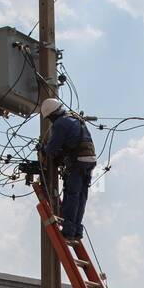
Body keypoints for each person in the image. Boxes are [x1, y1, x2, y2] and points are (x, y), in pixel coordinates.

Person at [38, 97, 97, 241]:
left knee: (72, 195)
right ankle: (77, 230)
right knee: (81, 196)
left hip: (78, 162)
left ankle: (69, 230)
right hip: (90, 160)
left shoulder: (60, 124)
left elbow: (52, 149)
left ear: (52, 115)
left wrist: (43, 149)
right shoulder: (75, 118)